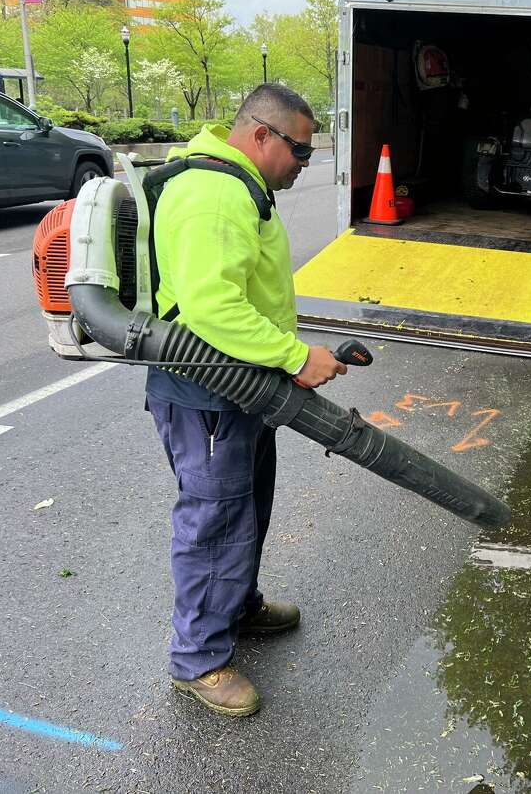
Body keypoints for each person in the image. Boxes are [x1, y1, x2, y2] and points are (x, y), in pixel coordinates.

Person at [145, 84, 346, 717]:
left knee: (246, 506)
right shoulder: (213, 194)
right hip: (207, 393)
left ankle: (238, 607)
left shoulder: (237, 185)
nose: (306, 163)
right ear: (261, 134)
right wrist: (296, 357)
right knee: (215, 521)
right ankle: (198, 661)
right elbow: (212, 307)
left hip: (242, 389)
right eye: (301, 150)